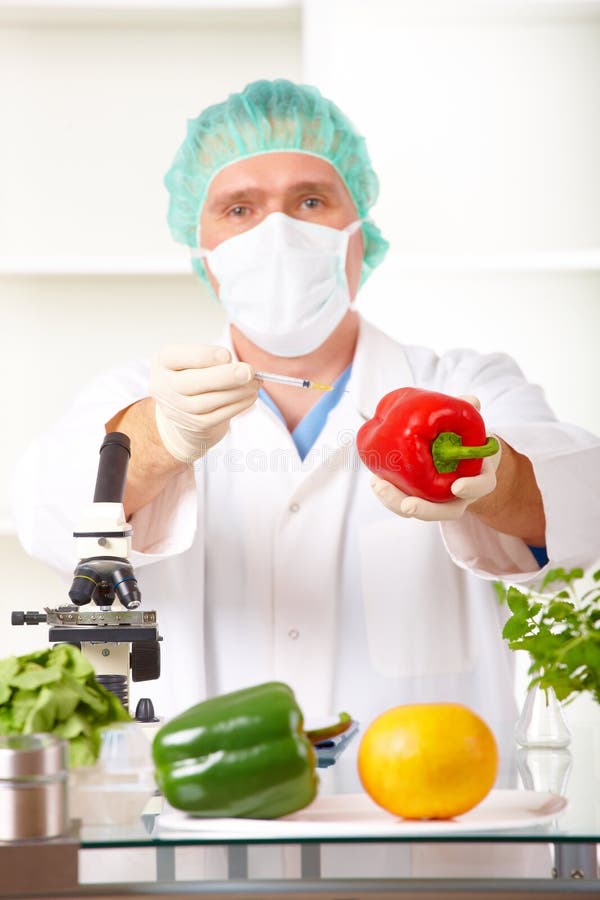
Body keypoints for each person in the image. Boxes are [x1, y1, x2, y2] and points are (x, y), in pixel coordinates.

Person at [12, 79, 600, 749]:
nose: (277, 232)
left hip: (428, 827)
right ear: (202, 250)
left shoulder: (464, 384)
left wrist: (498, 481)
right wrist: (158, 437)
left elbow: (581, 506)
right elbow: (47, 512)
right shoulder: (135, 392)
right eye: (239, 209)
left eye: (310, 201)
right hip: (204, 822)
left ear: (360, 234)